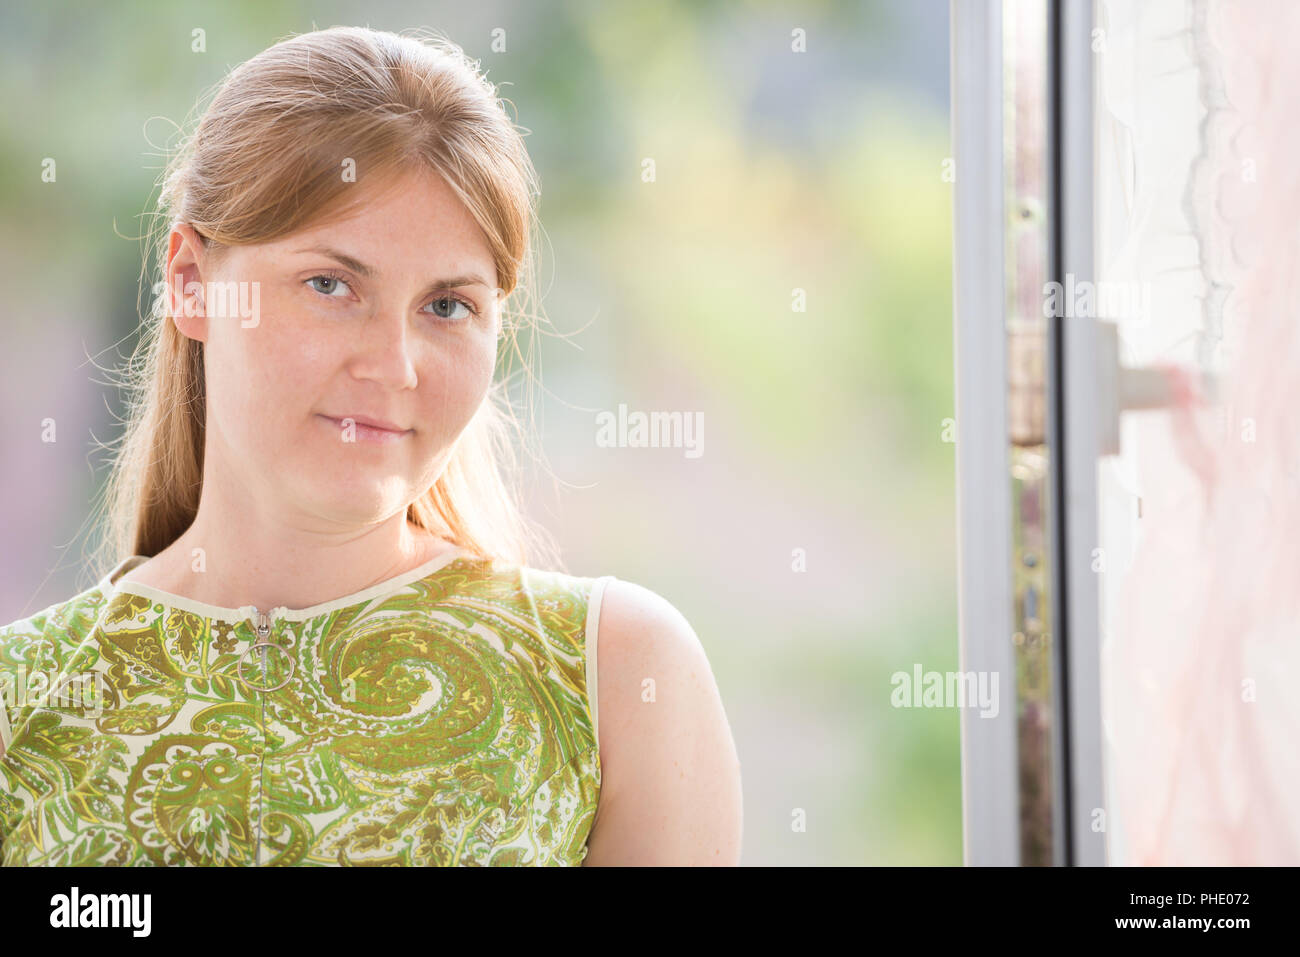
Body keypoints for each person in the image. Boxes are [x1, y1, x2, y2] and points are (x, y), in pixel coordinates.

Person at [0, 25, 741, 866]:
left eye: (447, 305)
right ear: (190, 285)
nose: (394, 366)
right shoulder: (22, 707)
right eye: (331, 285)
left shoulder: (617, 680)